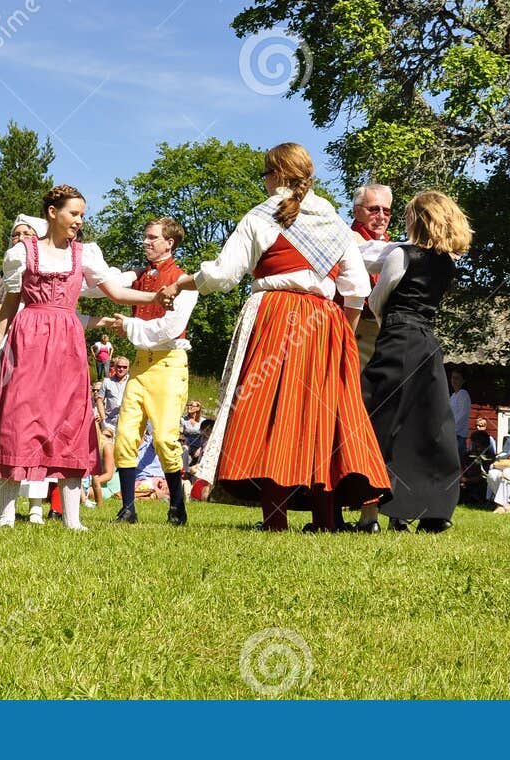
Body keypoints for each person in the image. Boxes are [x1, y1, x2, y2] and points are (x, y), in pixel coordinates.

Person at [161, 143, 391, 532]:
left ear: (277, 175)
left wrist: (183, 281)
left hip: (276, 316)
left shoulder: (262, 215)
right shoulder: (335, 222)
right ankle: (325, 519)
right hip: (327, 322)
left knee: (270, 413)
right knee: (322, 417)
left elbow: (223, 274)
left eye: (266, 174)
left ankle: (275, 518)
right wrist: (344, 333)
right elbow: (355, 289)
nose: (264, 182)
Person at [0, 185, 158, 531]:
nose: (79, 220)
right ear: (53, 212)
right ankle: (5, 516)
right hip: (29, 335)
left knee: (70, 420)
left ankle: (72, 518)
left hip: (67, 339)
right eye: (73, 213)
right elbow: (11, 302)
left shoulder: (85, 254)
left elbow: (115, 291)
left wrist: (155, 294)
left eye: (82, 214)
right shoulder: (23, 252)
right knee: (19, 418)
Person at [360, 189, 473, 531]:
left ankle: (370, 514)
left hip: (397, 339)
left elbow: (378, 299)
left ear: (418, 220)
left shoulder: (402, 255)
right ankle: (433, 511)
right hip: (428, 343)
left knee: (378, 419)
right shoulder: (448, 263)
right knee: (428, 426)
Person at [93, 217, 198, 526]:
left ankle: (177, 506)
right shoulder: (141, 274)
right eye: (146, 237)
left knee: (165, 438)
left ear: (170, 242)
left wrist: (128, 325)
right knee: (125, 435)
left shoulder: (184, 281)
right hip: (141, 362)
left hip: (168, 364)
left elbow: (170, 329)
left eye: (153, 237)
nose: (146, 242)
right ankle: (128, 509)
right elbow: (106, 284)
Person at [0, 217, 50, 523]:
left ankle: (34, 505)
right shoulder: (0, 276)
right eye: (15, 234)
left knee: (32, 426)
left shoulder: (45, 274)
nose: (19, 238)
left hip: (30, 351)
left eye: (26, 234)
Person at [347, 182, 394, 367]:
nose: (381, 217)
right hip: (356, 330)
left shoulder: (390, 244)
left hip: (384, 334)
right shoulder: (347, 239)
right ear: (357, 212)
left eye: (387, 211)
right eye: (374, 210)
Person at [449, 368, 473, 463]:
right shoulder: (453, 396)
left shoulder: (463, 394)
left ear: (463, 381)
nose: (454, 381)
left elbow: (462, 416)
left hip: (458, 436)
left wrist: (450, 429)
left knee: (456, 463)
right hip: (452, 435)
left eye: (457, 378)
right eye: (452, 378)